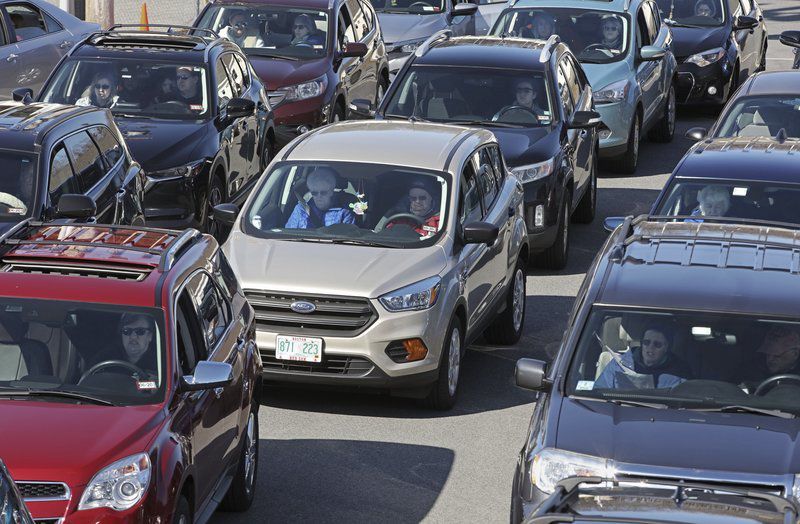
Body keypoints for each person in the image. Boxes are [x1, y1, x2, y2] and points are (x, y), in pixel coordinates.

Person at [595, 325, 691, 389]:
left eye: (657, 344)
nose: (650, 347)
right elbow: (600, 392)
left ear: (666, 347)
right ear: (641, 344)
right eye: (646, 342)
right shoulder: (619, 364)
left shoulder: (680, 371)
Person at [285, 167, 356, 228]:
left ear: (331, 191)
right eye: (314, 193)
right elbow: (288, 234)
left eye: (323, 193)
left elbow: (348, 238)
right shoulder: (300, 209)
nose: (319, 196)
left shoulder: (344, 212)